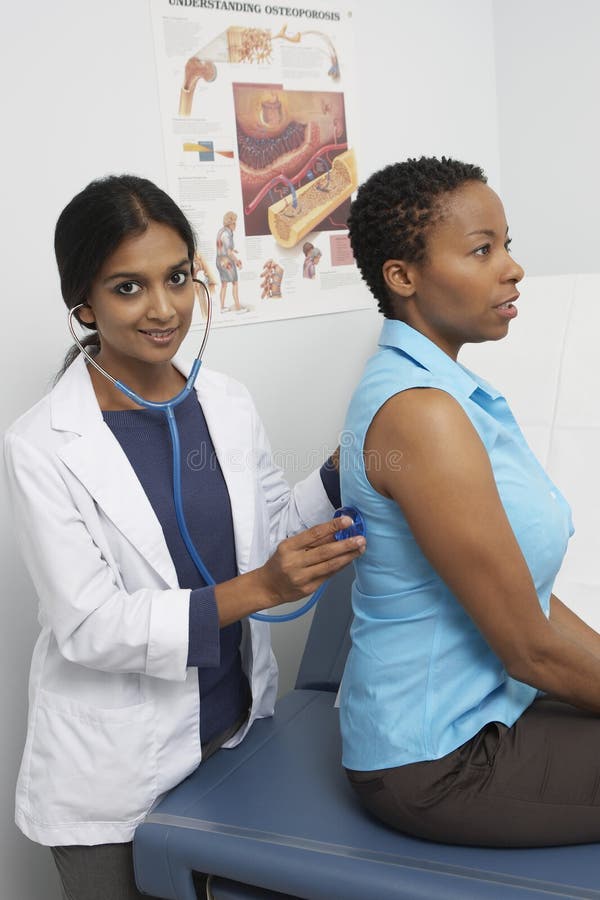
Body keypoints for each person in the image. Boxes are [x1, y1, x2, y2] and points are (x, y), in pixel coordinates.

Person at [4, 174, 366, 900]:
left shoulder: (225, 404)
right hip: (112, 778)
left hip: (232, 735)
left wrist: (337, 471)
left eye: (176, 277)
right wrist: (261, 588)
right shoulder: (43, 443)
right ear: (84, 304)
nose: (164, 308)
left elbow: (267, 531)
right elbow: (90, 626)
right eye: (128, 288)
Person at [339, 156, 600, 848]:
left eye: (507, 244)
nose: (511, 268)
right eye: (482, 250)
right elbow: (529, 649)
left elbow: (529, 600)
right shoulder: (422, 415)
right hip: (437, 762)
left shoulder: (447, 393)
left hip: (489, 710)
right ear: (403, 277)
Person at [215, 210, 246, 313]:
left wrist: (233, 250)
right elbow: (228, 252)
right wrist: (237, 261)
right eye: (234, 223)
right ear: (230, 223)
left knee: (224, 284)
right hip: (227, 262)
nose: (235, 225)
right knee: (235, 283)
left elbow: (222, 247)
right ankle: (238, 307)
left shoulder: (221, 231)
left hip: (219, 261)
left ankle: (222, 307)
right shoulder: (227, 234)